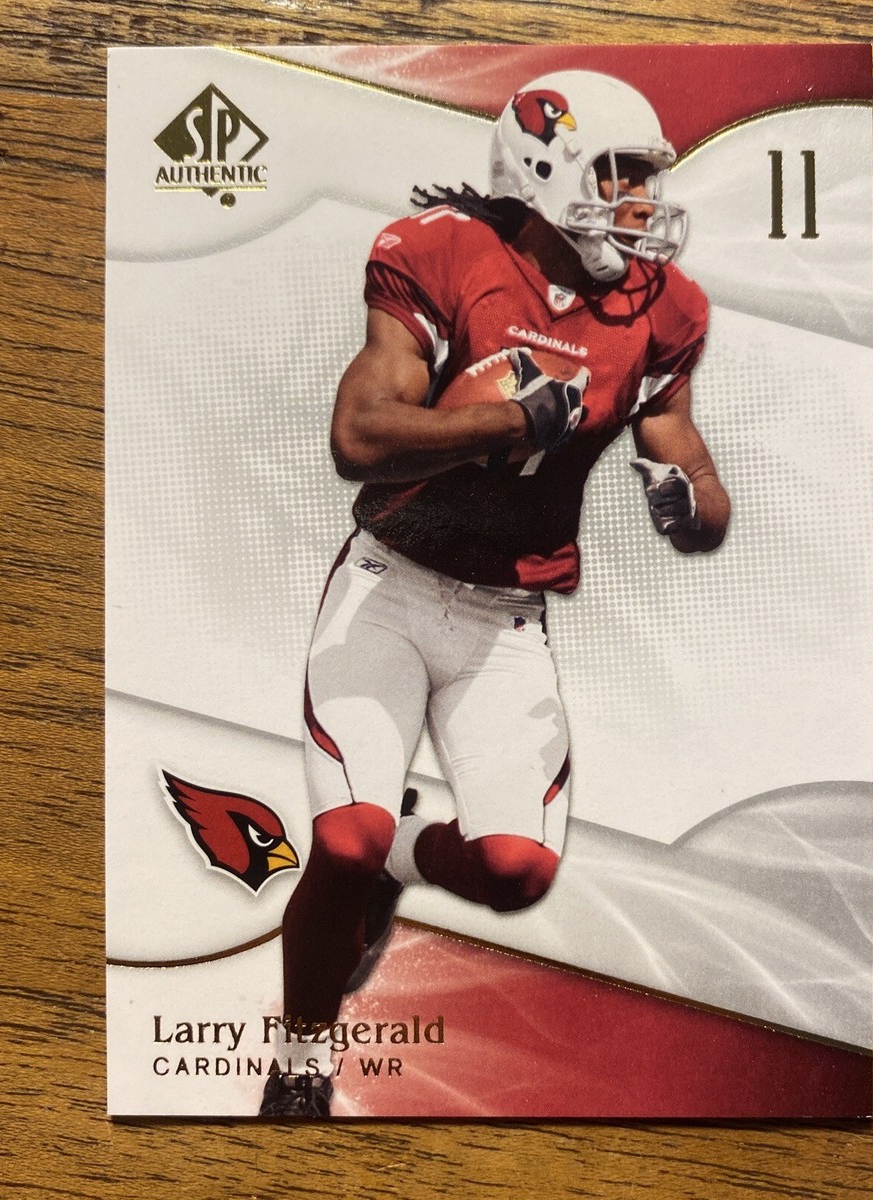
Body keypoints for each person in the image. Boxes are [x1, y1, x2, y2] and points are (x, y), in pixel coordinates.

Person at [260, 69, 730, 1117]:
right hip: (389, 585)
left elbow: (688, 459)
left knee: (515, 872)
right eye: (618, 175)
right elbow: (358, 437)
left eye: (646, 178)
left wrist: (693, 506)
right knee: (339, 839)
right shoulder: (441, 252)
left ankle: (400, 858)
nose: (641, 201)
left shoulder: (662, 310)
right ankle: (301, 1061)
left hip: (506, 617)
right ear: (547, 168)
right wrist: (511, 421)